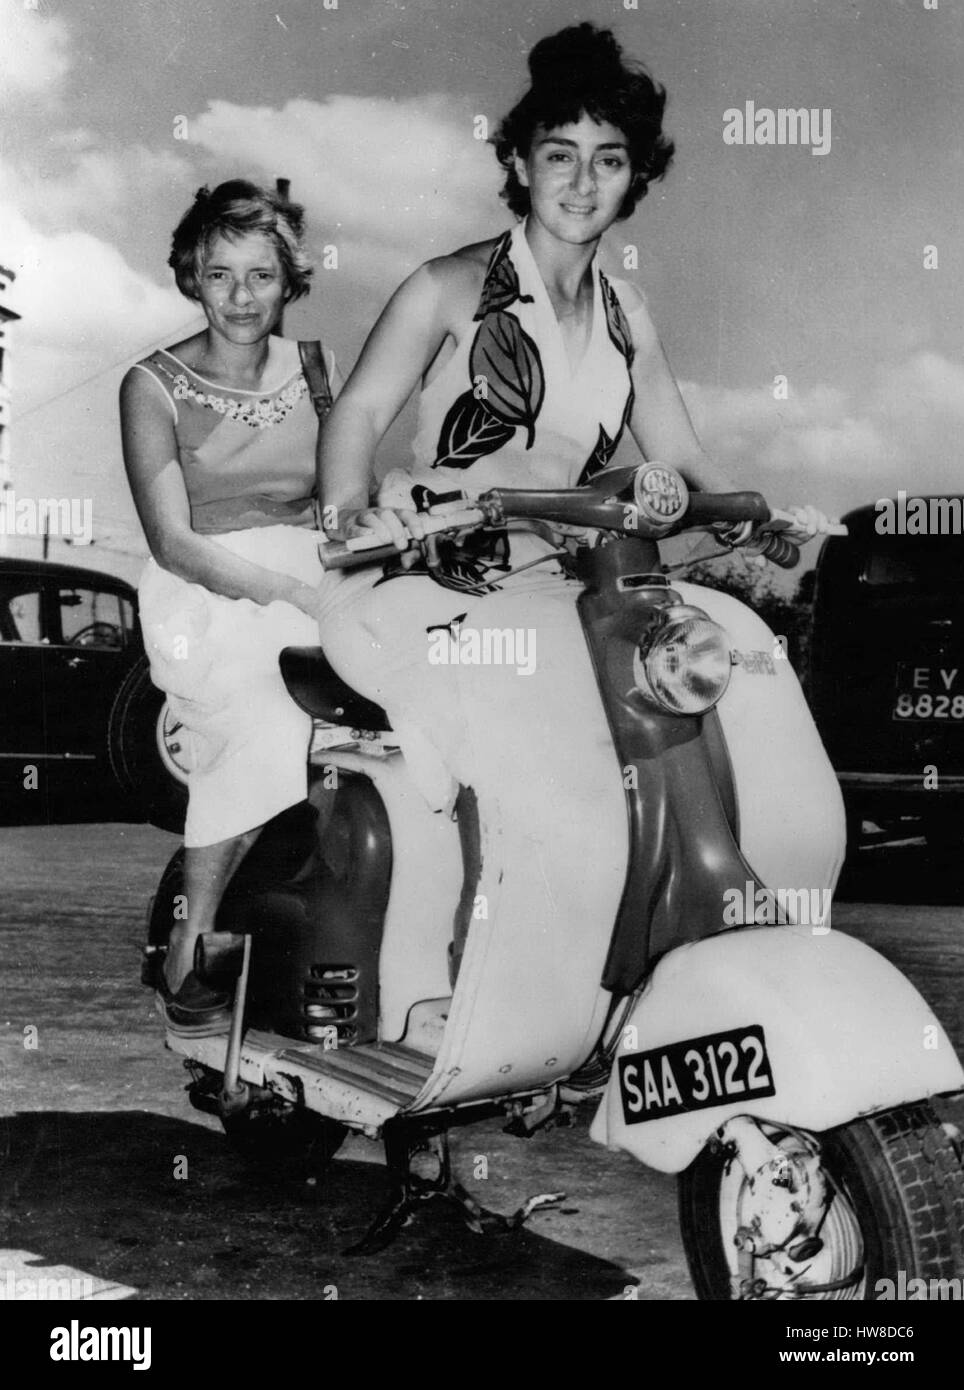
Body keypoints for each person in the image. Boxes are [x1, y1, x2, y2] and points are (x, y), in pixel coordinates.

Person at [315, 24, 832, 974]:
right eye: (559, 156)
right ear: (519, 162)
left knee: (705, 686)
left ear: (636, 177)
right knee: (520, 757)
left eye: (609, 160)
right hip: (425, 579)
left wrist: (764, 521)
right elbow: (357, 418)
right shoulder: (448, 286)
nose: (582, 182)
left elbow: (679, 456)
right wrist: (358, 516)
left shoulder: (627, 316)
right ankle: (467, 967)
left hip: (566, 589)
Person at [120, 180, 338, 1030]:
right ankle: (192, 939)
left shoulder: (316, 369)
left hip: (309, 573)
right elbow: (173, 540)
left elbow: (340, 497)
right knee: (264, 698)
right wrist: (289, 591)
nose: (241, 298)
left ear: (289, 281)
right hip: (201, 588)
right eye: (220, 276)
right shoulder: (153, 384)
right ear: (191, 278)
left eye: (260, 276)